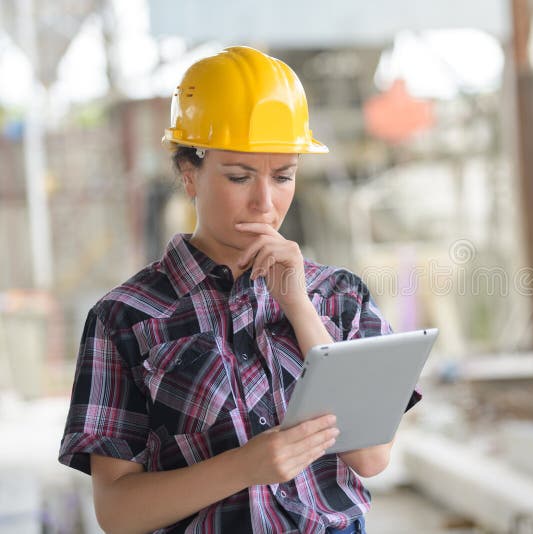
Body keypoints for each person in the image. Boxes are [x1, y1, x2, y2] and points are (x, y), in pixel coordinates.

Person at [58, 46, 420, 534]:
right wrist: (245, 468)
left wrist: (298, 305)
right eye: (238, 176)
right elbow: (117, 513)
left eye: (283, 176)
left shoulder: (340, 297)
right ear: (190, 174)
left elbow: (372, 456)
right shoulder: (125, 318)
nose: (264, 202)